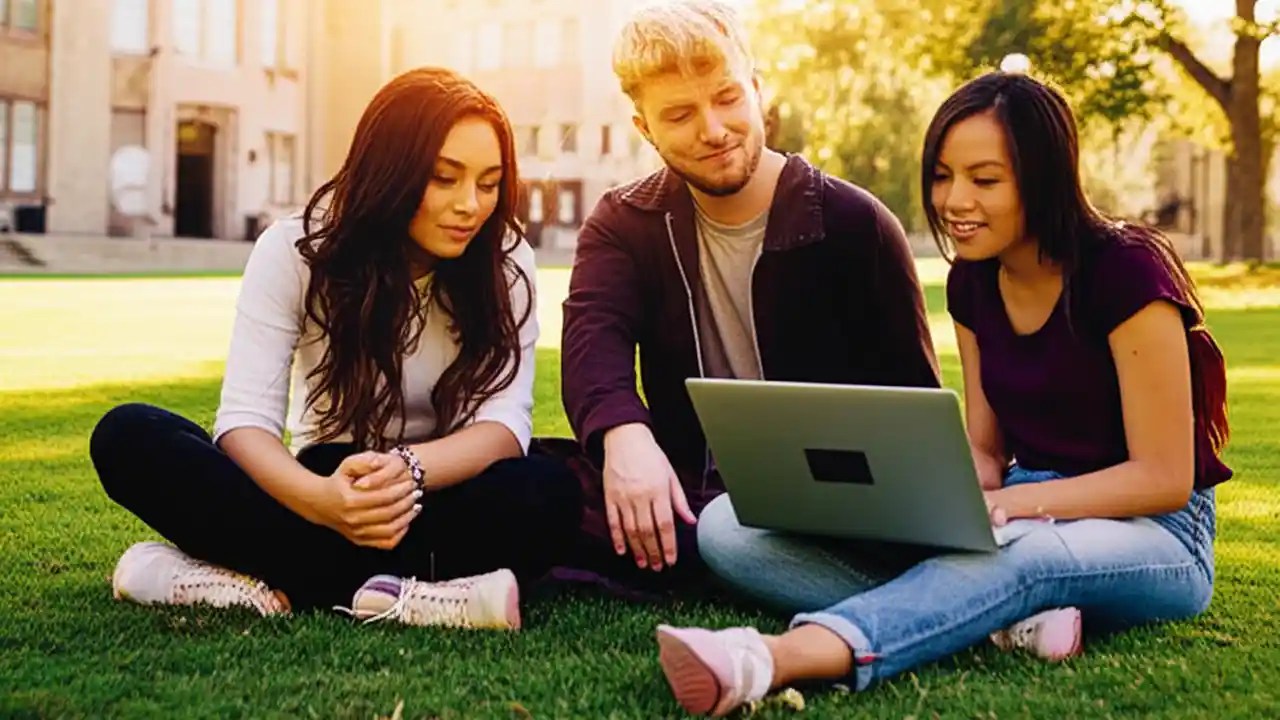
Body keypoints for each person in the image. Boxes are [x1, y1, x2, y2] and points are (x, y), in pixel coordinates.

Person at [651, 71, 1232, 717]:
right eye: (942, 176)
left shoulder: (1128, 273)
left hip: (1156, 536)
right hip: (1028, 509)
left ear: (1043, 178)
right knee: (732, 527)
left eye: (985, 180)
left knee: (1025, 552)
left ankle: (769, 659)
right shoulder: (972, 285)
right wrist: (933, 501)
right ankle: (1000, 620)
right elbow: (987, 451)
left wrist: (1015, 504)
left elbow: (1164, 478)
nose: (955, 200)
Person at [90, 67, 582, 630]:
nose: (471, 204)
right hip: (322, 481)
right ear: (392, 171)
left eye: (489, 184)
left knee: (548, 494)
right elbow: (245, 421)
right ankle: (413, 594)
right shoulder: (295, 249)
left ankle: (203, 577)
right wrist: (321, 501)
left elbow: (505, 425)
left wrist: (410, 470)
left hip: (440, 489)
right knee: (128, 435)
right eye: (445, 178)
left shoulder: (507, 261)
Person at [550, 0, 940, 593]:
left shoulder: (854, 222)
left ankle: (755, 565)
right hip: (689, 486)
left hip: (838, 505)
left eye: (728, 98)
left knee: (711, 533)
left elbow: (915, 411)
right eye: (679, 114)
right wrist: (626, 440)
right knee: (535, 483)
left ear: (758, 91)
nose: (713, 130)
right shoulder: (623, 222)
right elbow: (591, 345)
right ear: (644, 128)